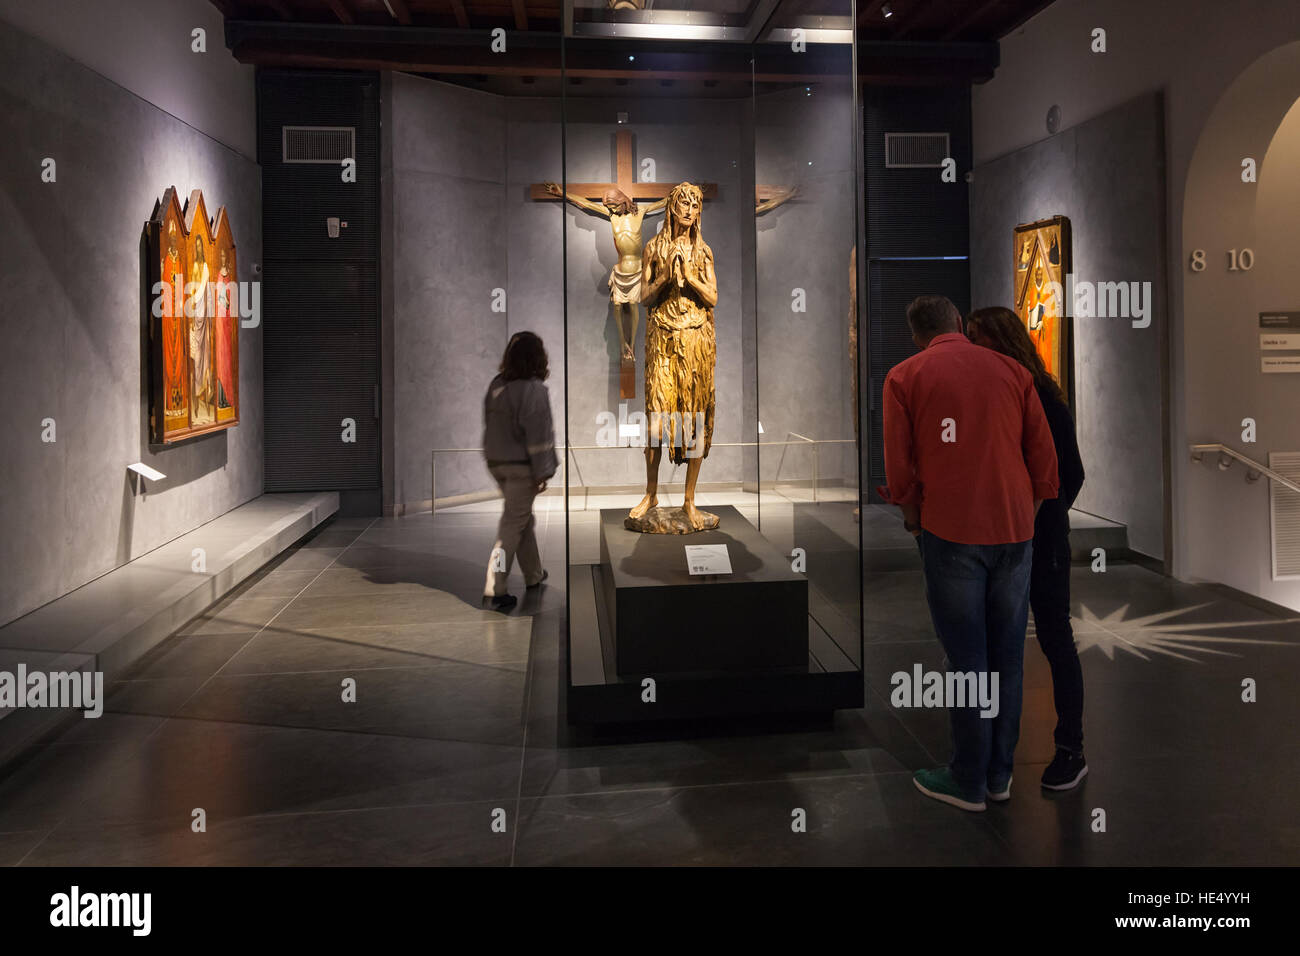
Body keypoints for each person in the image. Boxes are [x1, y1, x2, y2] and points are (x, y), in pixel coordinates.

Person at [881, 295, 1059, 812]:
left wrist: (913, 519)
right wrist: (1026, 512)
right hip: (1014, 530)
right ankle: (1000, 774)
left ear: (917, 335)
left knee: (966, 659)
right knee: (1008, 656)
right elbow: (1043, 459)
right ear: (959, 323)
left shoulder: (904, 377)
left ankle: (967, 778)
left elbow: (900, 467)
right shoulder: (1014, 372)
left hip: (951, 529)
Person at [967, 306, 1087, 791]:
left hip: (1038, 539)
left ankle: (1071, 748)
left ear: (1000, 340)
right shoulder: (1013, 391)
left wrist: (1040, 518)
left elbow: (1069, 472)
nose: (971, 347)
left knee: (1054, 638)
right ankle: (995, 753)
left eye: (977, 337)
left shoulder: (1041, 397)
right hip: (1013, 535)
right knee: (1005, 643)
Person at [482, 332, 558, 612]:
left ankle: (533, 574)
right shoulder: (534, 390)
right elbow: (539, 437)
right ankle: (494, 586)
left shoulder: (497, 385)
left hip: (497, 464)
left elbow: (489, 425)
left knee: (521, 519)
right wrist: (543, 471)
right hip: (521, 468)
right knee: (512, 526)